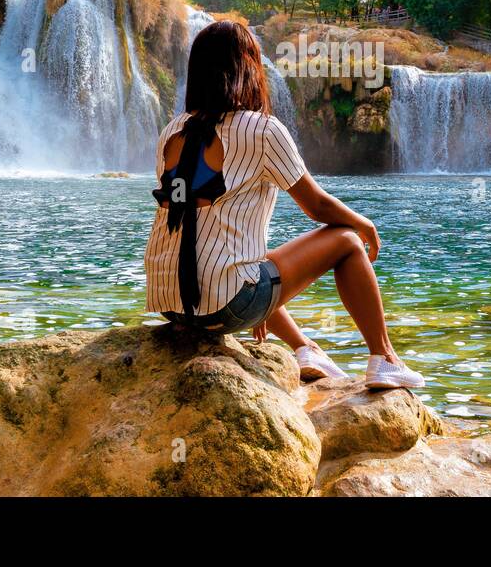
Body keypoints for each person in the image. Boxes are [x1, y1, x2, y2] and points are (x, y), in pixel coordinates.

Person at [143, 19, 423, 390]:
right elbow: (319, 207)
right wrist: (364, 223)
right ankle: (384, 358)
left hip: (170, 302)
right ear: (248, 67)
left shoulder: (172, 130)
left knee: (258, 260)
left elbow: (189, 212)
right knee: (346, 240)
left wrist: (262, 285)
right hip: (224, 306)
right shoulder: (262, 130)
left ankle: (305, 348)